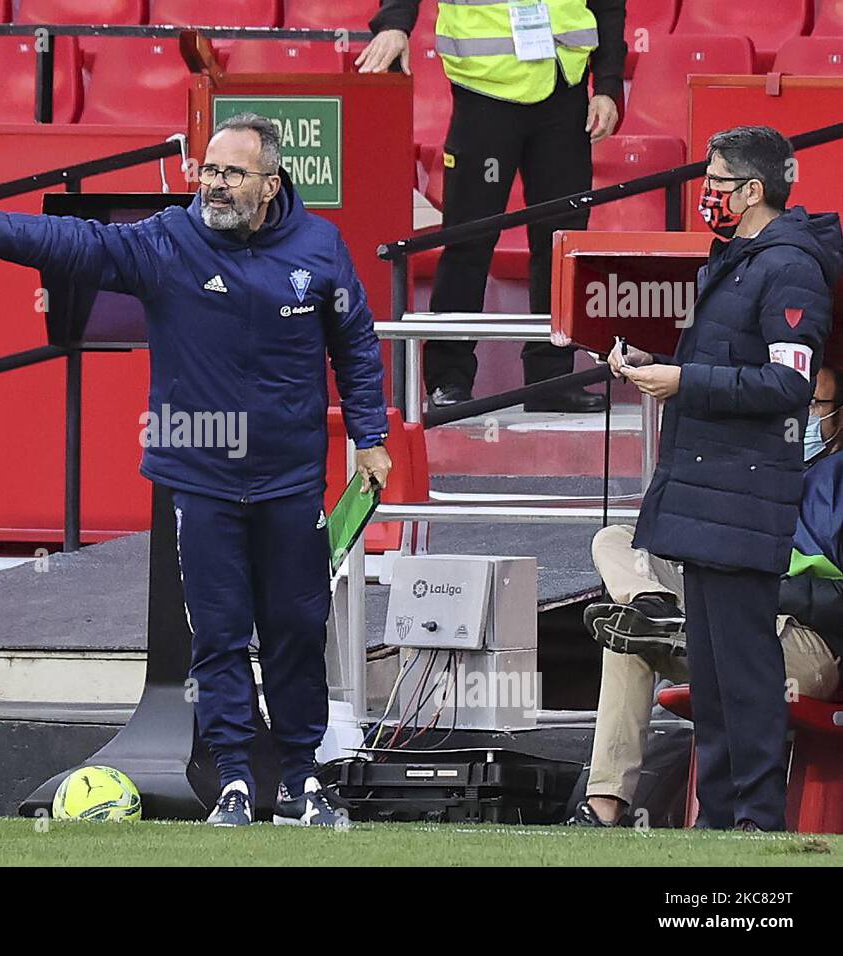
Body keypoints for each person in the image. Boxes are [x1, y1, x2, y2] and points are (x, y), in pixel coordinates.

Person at [0, 113, 392, 828]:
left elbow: (354, 339)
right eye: (207, 170)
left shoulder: (320, 247)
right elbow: (78, 242)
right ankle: (234, 780)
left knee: (295, 628)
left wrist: (370, 434)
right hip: (198, 479)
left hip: (291, 480)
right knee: (220, 633)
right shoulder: (169, 240)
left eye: (232, 173)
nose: (214, 185)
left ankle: (301, 779)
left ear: (272, 183)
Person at [611, 125, 841, 831]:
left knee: (744, 674)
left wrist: (683, 379)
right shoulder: (739, 260)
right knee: (710, 676)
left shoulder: (791, 268)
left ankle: (757, 819)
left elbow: (785, 383)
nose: (706, 192)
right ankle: (716, 820)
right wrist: (662, 363)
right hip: (709, 489)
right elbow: (728, 366)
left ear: (752, 189)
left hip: (745, 497)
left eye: (716, 180)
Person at [571, 366, 843, 827]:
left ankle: (668, 627)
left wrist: (763, 592)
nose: (800, 419)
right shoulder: (755, 468)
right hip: (722, 610)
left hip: (801, 645)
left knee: (634, 635)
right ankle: (603, 809)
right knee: (617, 546)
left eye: (813, 406)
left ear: (838, 416)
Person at [357, 0, 625, 412]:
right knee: (468, 242)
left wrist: (607, 85)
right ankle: (448, 379)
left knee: (560, 244)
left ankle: (551, 379)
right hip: (484, 93)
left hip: (564, 90)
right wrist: (394, 24)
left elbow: (608, 5)